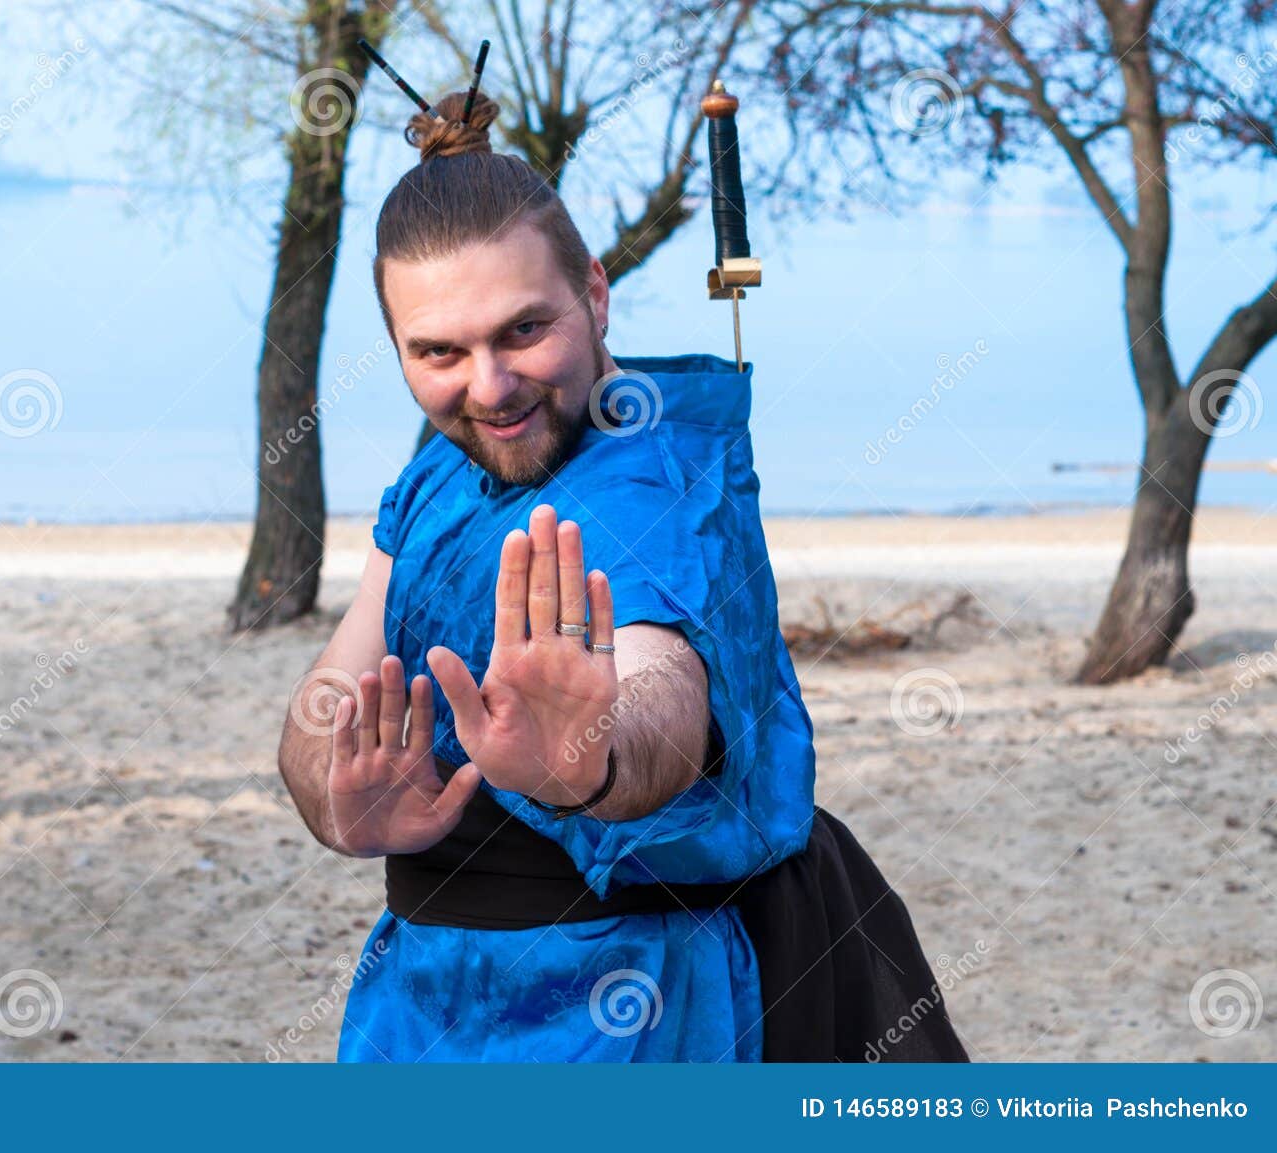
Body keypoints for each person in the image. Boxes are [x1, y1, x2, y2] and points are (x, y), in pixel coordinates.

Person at [275, 89, 969, 1063]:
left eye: (523, 331)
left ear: (594, 294)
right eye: (439, 351)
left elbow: (662, 690)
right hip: (428, 987)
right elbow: (339, 677)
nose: (488, 386)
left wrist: (592, 754)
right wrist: (336, 800)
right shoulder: (440, 461)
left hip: (632, 996)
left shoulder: (649, 481)